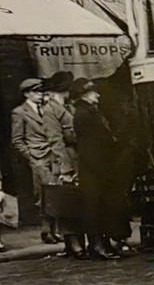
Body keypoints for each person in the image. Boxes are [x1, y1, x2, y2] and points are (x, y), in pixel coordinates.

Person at [71, 78, 128, 259]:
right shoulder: (84, 114)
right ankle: (97, 246)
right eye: (94, 92)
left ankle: (103, 245)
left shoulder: (90, 112)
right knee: (95, 209)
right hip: (95, 170)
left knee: (101, 208)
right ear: (85, 95)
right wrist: (101, 169)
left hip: (98, 168)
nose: (98, 94)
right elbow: (90, 146)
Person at [10, 78, 60, 244]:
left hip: (54, 155)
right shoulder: (19, 112)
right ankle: (47, 231)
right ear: (27, 93)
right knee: (43, 195)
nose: (41, 95)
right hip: (39, 157)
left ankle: (55, 230)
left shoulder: (47, 109)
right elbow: (17, 139)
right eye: (37, 92)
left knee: (56, 192)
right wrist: (31, 157)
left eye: (42, 92)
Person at [43, 71, 86, 258]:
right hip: (64, 160)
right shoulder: (50, 110)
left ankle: (78, 242)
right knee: (67, 203)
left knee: (78, 201)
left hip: (77, 156)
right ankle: (73, 243)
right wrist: (66, 168)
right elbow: (56, 141)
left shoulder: (69, 107)